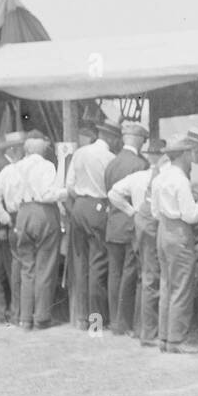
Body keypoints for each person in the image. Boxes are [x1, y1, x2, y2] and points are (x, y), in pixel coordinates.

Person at [106, 137, 167, 346]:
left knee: (141, 276)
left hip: (138, 228)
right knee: (149, 278)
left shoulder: (137, 177)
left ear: (149, 156)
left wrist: (131, 212)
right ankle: (147, 328)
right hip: (155, 227)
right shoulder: (162, 177)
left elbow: (113, 193)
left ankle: (137, 326)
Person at [152, 134, 198, 354]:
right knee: (182, 286)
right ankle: (177, 339)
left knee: (166, 284)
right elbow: (191, 216)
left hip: (163, 230)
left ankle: (164, 337)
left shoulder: (160, 177)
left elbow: (154, 212)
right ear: (183, 154)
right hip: (179, 231)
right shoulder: (181, 179)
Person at [10, 131, 66, 329]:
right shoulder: (46, 166)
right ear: (42, 147)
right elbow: (47, 193)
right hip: (43, 213)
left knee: (27, 267)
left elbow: (11, 196)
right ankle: (41, 316)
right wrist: (66, 192)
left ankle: (25, 318)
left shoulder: (16, 167)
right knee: (45, 265)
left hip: (22, 213)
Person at [67, 121, 118, 331]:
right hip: (98, 208)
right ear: (113, 138)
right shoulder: (110, 159)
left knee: (80, 264)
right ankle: (96, 321)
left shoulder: (80, 153)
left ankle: (81, 318)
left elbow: (69, 186)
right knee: (98, 265)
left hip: (78, 206)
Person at [104, 121, 149, 335]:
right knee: (129, 275)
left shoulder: (112, 163)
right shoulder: (140, 164)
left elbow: (110, 193)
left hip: (113, 224)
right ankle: (125, 323)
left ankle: (114, 321)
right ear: (139, 140)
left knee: (114, 274)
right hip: (131, 225)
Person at [0, 131, 27, 325]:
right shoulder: (0, 167)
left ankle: (0, 313)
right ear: (13, 149)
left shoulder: (4, 165)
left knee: (2, 269)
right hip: (2, 225)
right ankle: (8, 311)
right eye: (21, 148)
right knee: (10, 270)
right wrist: (1, 225)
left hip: (3, 224)